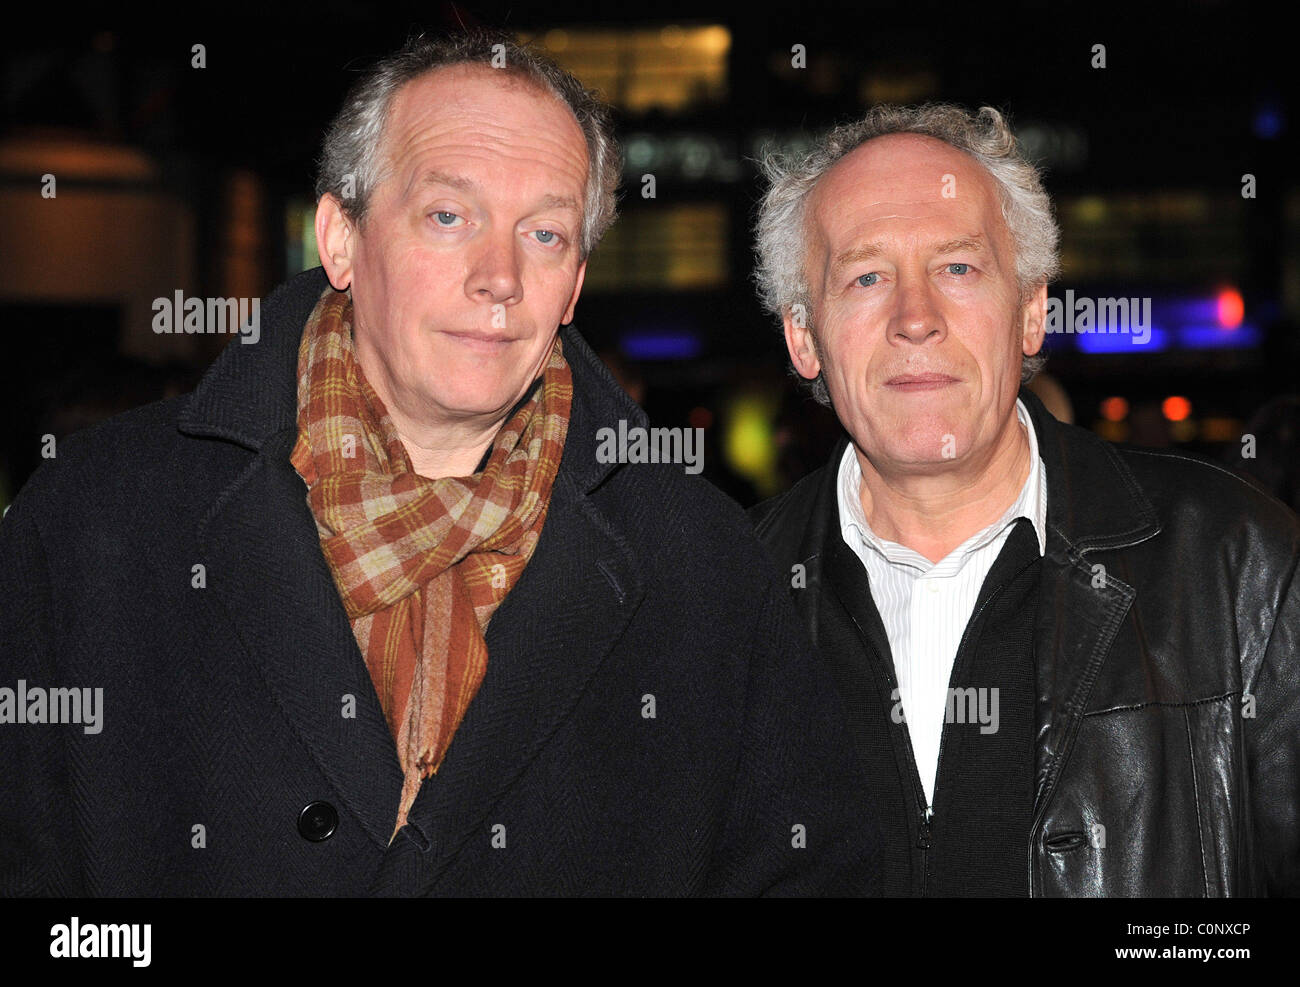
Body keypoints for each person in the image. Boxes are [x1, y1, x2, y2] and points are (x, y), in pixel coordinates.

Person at [0, 31, 878, 896]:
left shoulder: (704, 563)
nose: (498, 275)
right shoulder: (98, 519)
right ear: (339, 237)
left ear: (574, 283)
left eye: (543, 234)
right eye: (448, 216)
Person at [749, 102, 1300, 896]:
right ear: (804, 335)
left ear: (1032, 310)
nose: (915, 318)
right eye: (867, 275)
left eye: (958, 268)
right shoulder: (722, 593)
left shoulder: (1236, 562)